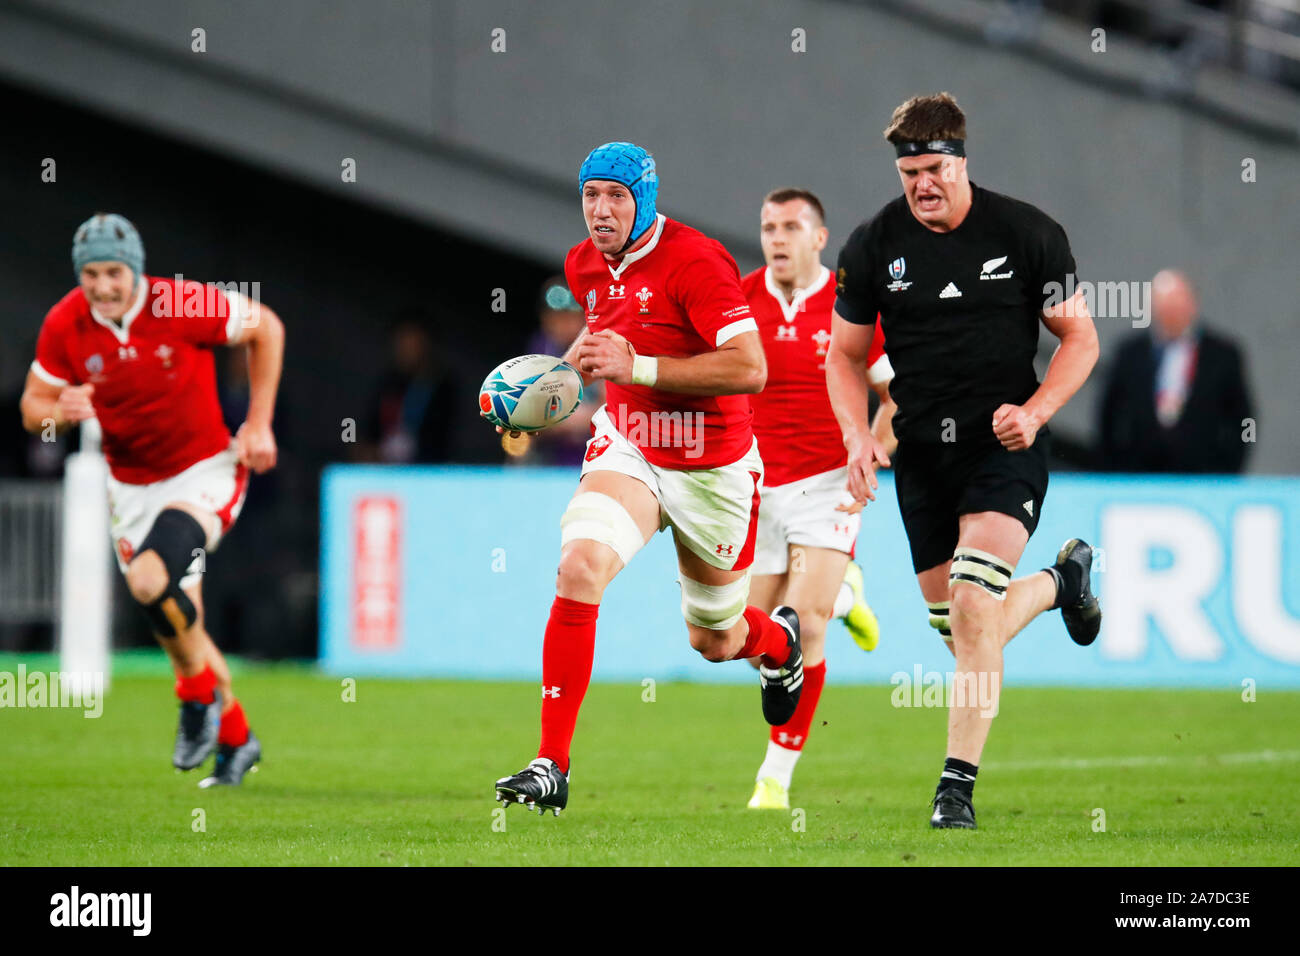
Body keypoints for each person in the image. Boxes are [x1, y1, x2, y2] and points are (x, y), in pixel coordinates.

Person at [492, 142, 804, 816]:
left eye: (616, 197)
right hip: (631, 446)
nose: (600, 211)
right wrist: (543, 392)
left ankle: (780, 644)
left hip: (713, 465)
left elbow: (750, 368)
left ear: (646, 199)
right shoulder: (583, 264)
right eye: (590, 196)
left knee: (716, 639)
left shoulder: (696, 261)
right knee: (578, 567)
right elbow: (600, 341)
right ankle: (553, 762)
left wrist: (643, 370)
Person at [826, 94, 1102, 829]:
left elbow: (1081, 340)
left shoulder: (1026, 233)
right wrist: (858, 437)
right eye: (910, 171)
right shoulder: (872, 244)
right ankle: (1059, 582)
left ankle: (955, 789)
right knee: (963, 632)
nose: (922, 184)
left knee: (976, 606)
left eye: (934, 169)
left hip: (1001, 447)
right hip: (920, 456)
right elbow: (845, 357)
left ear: (962, 162)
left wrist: (1036, 412)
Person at [19, 213, 284, 786]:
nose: (103, 286)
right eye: (91, 274)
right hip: (131, 487)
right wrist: (56, 415)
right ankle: (236, 737)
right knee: (183, 629)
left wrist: (259, 424)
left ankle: (194, 700)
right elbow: (32, 407)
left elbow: (266, 327)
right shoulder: (65, 323)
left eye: (113, 272)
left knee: (147, 581)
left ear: (135, 272)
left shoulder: (179, 305)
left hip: (204, 471)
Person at [740, 187, 898, 810]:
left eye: (789, 227)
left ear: (818, 237)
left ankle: (774, 779)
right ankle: (849, 593)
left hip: (827, 485)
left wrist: (872, 452)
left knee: (805, 628)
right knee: (742, 642)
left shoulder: (849, 306)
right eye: (767, 226)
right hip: (752, 489)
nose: (776, 238)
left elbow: (896, 397)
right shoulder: (740, 301)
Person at [1098, 269, 1253, 473]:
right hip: (1139, 476)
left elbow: (1244, 418)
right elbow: (1108, 413)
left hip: (1203, 475)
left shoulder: (1222, 355)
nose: (1172, 314)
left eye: (1177, 306)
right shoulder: (1130, 353)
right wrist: (1114, 467)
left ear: (1192, 305)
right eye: (1165, 307)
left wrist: (1230, 468)